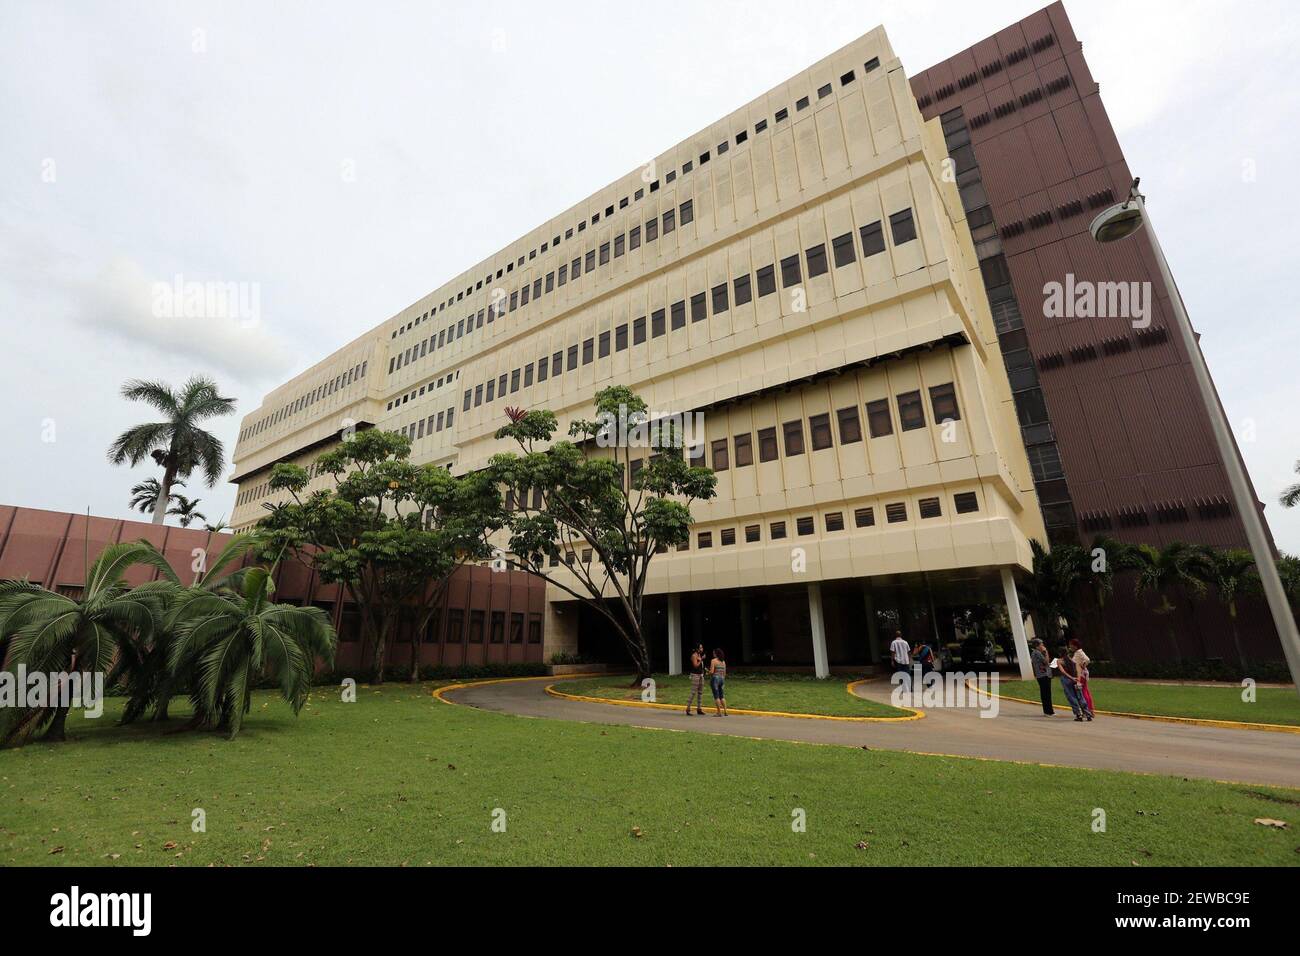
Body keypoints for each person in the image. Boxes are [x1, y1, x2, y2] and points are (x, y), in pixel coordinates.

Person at [1053, 645, 1091, 721]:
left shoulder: (1059, 661)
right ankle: (1087, 714)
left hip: (1066, 680)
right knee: (1080, 696)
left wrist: (1070, 678)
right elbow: (1078, 670)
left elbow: (1062, 672)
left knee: (1071, 697)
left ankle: (1078, 714)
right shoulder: (1073, 660)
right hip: (1076, 679)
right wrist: (1077, 679)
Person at [1029, 638, 1054, 716]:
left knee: (1047, 693)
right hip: (1043, 675)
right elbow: (1046, 662)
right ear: (1037, 646)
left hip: (1045, 675)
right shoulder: (1037, 653)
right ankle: (1047, 711)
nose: (1043, 646)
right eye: (1041, 645)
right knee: (1045, 694)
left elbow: (1047, 661)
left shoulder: (1038, 653)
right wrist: (1046, 652)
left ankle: (1050, 711)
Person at [1069, 638, 1094, 714]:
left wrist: (1082, 665)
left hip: (1081, 674)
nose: (1070, 647)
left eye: (1071, 645)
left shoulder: (1079, 652)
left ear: (1075, 646)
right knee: (1085, 691)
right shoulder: (1077, 653)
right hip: (1082, 673)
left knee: (1083, 692)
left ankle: (1088, 709)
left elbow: (1087, 660)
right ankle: (1090, 709)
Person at [684, 643, 706, 716]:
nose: (701, 649)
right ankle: (688, 709)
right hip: (695, 675)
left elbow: (701, 666)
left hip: (701, 675)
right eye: (700, 648)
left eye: (702, 648)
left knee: (700, 692)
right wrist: (701, 660)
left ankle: (699, 709)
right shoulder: (694, 655)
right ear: (697, 649)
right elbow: (695, 665)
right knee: (693, 692)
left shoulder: (699, 655)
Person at [708, 647, 728, 716]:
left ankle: (719, 712)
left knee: (716, 696)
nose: (713, 654)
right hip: (722, 679)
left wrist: (708, 672)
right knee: (722, 696)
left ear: (716, 654)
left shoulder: (713, 661)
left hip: (715, 679)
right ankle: (725, 711)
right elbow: (724, 673)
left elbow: (712, 671)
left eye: (714, 653)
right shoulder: (723, 662)